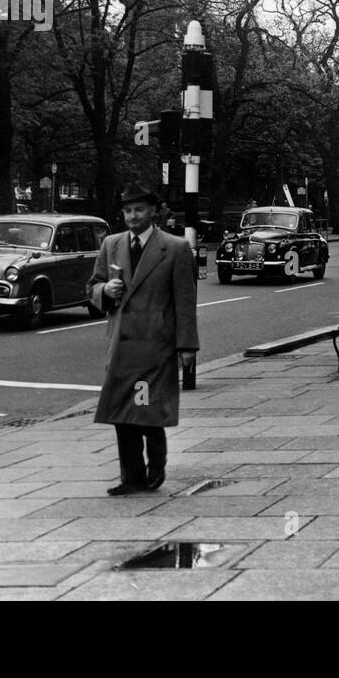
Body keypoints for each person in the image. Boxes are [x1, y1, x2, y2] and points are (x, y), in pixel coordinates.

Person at [88, 182, 199, 496]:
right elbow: (92, 287)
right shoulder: (111, 244)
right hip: (121, 345)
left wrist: (187, 346)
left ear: (153, 211)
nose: (132, 216)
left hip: (155, 345)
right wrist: (104, 292)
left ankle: (156, 468)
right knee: (122, 413)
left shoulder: (175, 248)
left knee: (148, 410)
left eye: (138, 210)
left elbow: (185, 301)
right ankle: (131, 477)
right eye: (127, 211)